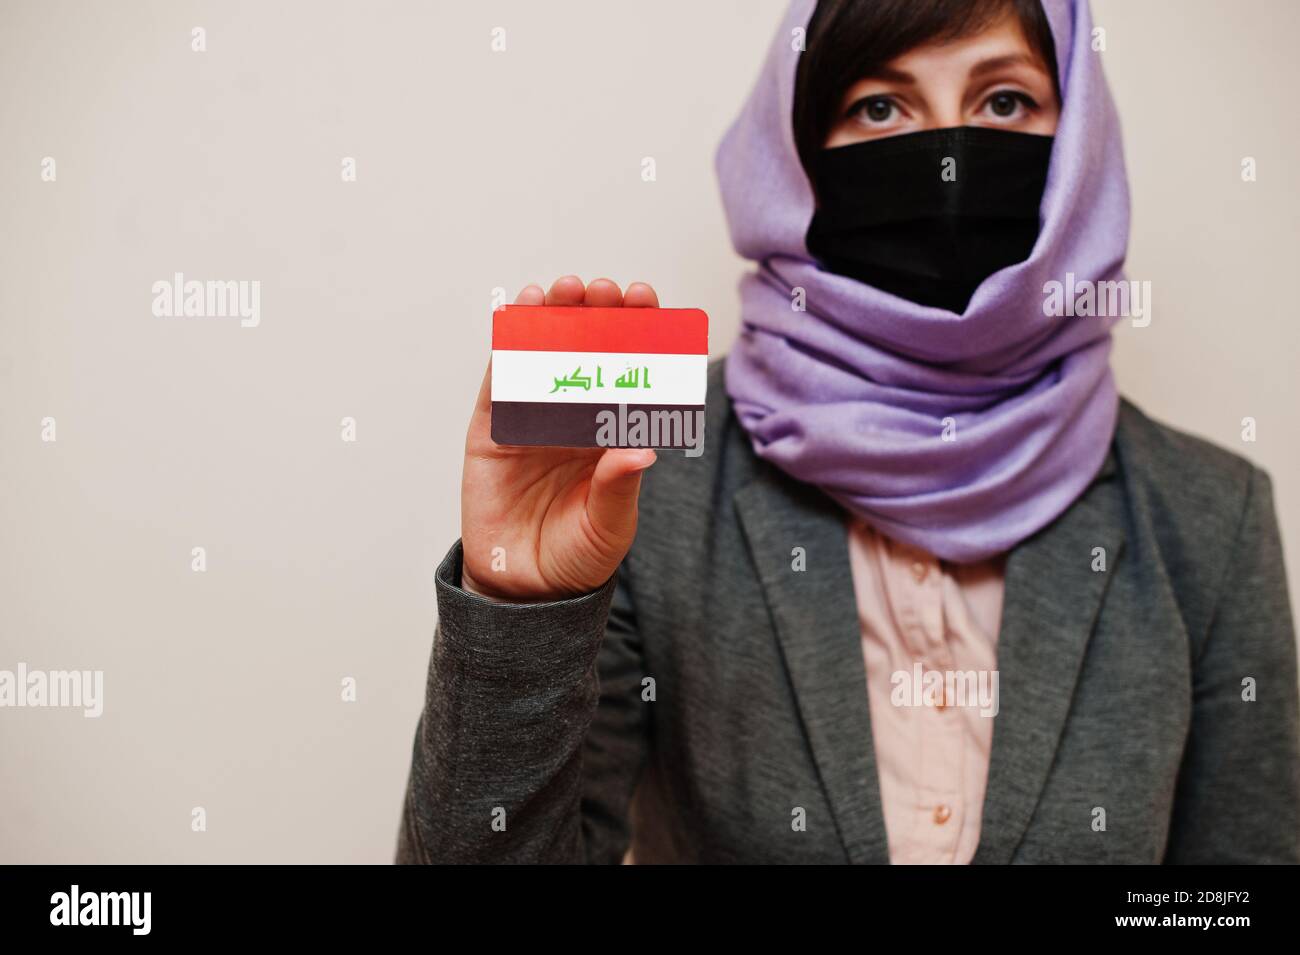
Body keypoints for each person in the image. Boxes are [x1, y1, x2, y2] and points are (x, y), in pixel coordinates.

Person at [397, 0, 1300, 864]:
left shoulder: (1210, 521)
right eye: (878, 106)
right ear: (796, 153)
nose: (947, 157)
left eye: (1005, 100)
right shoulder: (642, 475)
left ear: (1079, 150)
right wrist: (519, 604)